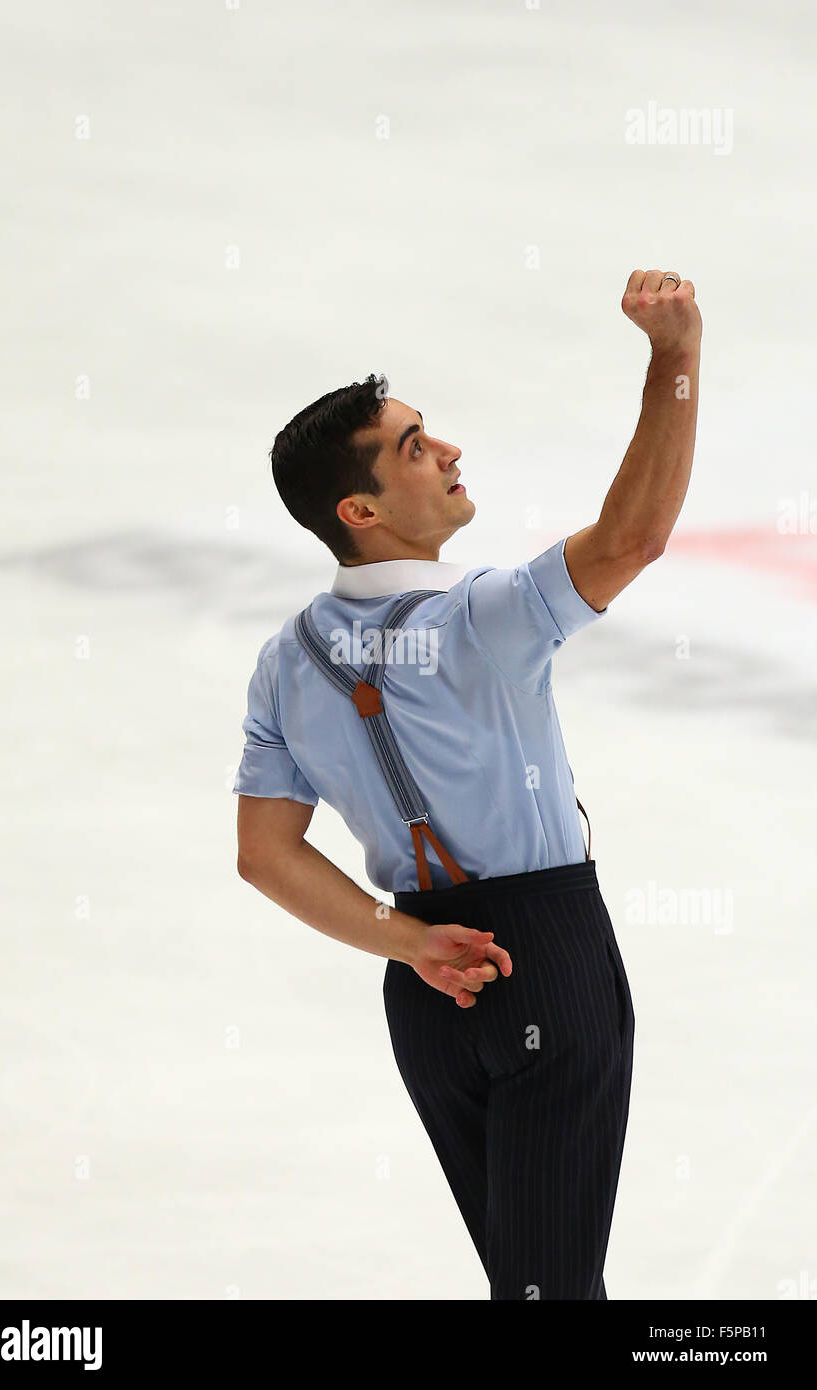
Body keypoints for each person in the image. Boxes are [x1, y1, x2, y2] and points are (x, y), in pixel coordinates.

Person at [233, 268, 702, 1298]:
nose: (446, 450)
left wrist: (405, 943)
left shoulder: (286, 657)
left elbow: (262, 851)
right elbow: (632, 538)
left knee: (533, 1282)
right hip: (543, 956)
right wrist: (671, 359)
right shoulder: (479, 620)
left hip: (423, 982)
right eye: (413, 448)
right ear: (359, 508)